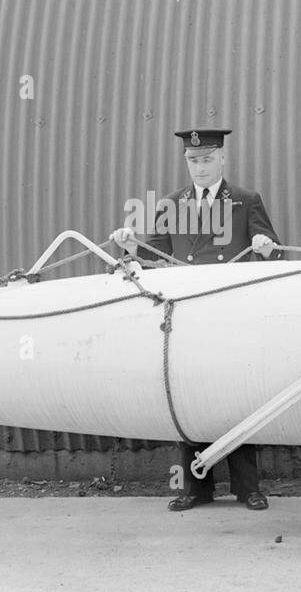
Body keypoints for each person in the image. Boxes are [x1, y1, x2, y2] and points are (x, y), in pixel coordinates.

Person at [110, 128, 282, 511]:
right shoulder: (172, 204)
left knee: (236, 398)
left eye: (206, 159)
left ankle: (247, 487)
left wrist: (266, 248)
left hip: (228, 313)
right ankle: (195, 489)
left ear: (222, 158)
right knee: (187, 398)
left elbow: (274, 252)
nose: (199, 167)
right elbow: (154, 259)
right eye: (193, 160)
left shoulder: (245, 201)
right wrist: (129, 246)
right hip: (187, 316)